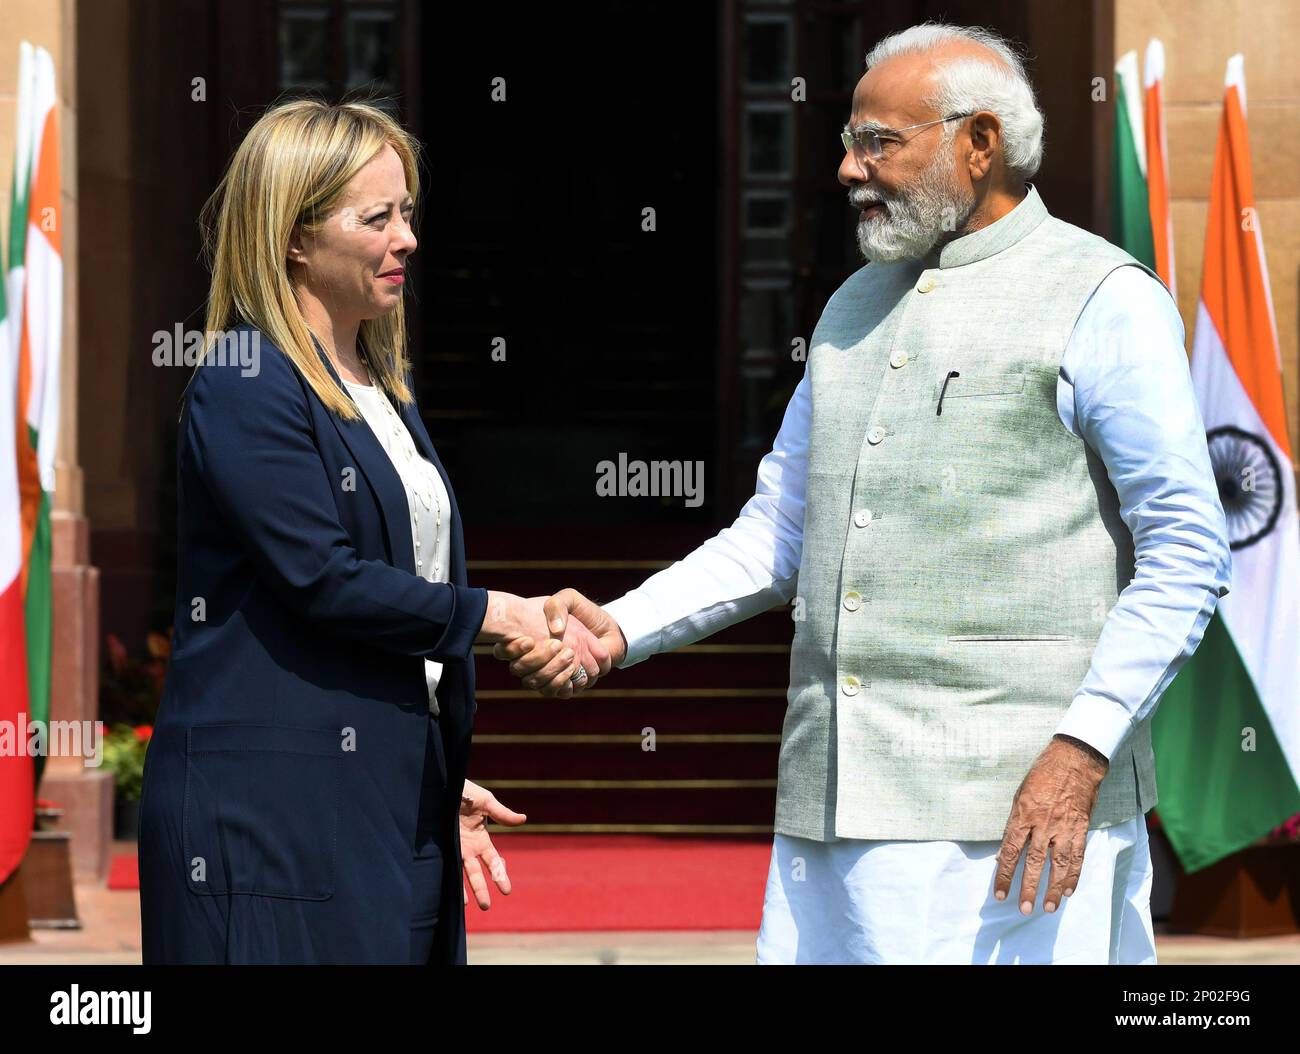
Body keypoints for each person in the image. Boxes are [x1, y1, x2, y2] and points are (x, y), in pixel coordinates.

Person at [499, 23, 1233, 964]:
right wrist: (619, 627)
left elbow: (1186, 550)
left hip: (1017, 822)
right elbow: (780, 529)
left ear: (980, 143)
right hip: (831, 805)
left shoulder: (1104, 295)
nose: (848, 169)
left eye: (878, 142)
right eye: (850, 141)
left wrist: (1081, 749)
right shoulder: (854, 302)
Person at [138, 99, 609, 965]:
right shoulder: (247, 379)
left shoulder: (381, 387)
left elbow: (386, 612)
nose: (408, 239)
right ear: (293, 237)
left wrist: (430, 778)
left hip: (383, 802)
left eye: (408, 213)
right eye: (377, 217)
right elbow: (323, 578)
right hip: (270, 826)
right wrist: (495, 616)